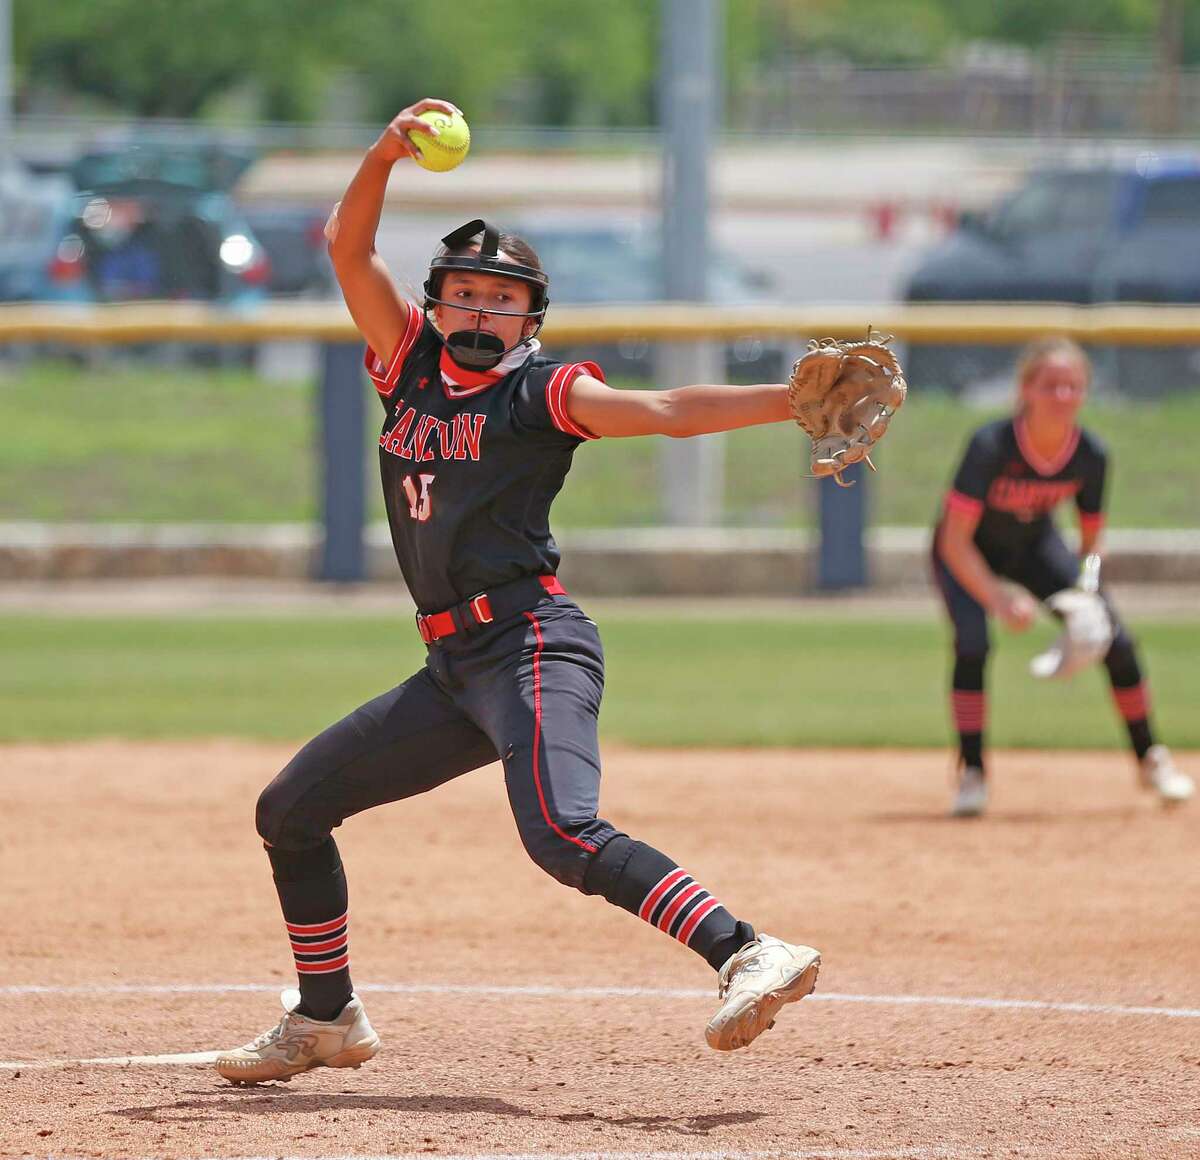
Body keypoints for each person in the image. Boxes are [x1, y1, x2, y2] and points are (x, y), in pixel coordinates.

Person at [214, 98, 823, 1084]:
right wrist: (382, 153)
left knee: (560, 830)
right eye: (461, 292)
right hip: (454, 666)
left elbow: (663, 409)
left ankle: (748, 948)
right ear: (437, 305)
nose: (477, 310)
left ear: (530, 319)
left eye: (500, 299)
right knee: (291, 806)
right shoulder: (407, 364)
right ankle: (326, 1015)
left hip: (533, 642)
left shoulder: (541, 393)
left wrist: (789, 400)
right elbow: (344, 243)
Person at [932, 336, 1194, 818]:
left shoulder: (1090, 454)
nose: (1063, 397)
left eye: (1073, 387)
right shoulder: (991, 446)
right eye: (1051, 386)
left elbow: (1092, 543)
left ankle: (1151, 758)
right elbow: (953, 540)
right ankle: (972, 772)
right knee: (973, 644)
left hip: (1035, 546)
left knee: (1117, 640)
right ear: (1026, 390)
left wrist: (1087, 596)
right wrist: (997, 599)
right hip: (967, 551)